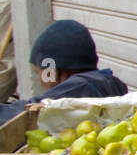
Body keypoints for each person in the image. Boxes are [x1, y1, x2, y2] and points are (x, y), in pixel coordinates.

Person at [0, 20, 129, 124]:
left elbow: (25, 113)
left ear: (51, 73)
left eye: (38, 72)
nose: (39, 80)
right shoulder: (110, 83)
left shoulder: (81, 88)